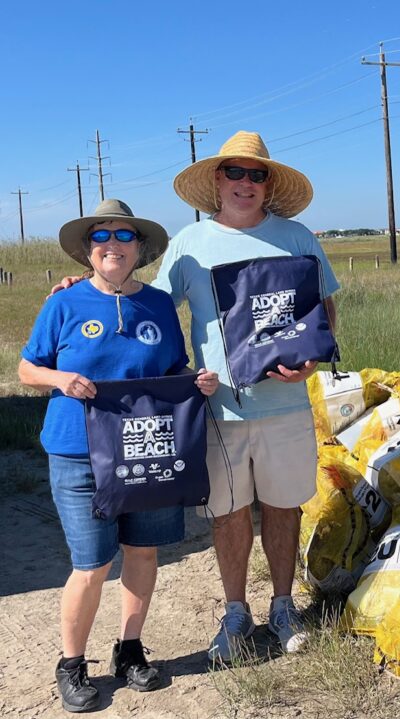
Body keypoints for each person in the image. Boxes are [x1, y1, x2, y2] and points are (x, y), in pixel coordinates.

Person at [19, 200, 219, 713]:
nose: (112, 242)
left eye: (124, 235)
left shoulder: (156, 305)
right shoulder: (63, 304)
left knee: (144, 553)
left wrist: (197, 382)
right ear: (88, 250)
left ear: (140, 247)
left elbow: (175, 370)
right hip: (78, 453)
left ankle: (129, 650)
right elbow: (26, 369)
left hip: (147, 449)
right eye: (101, 235)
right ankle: (71, 663)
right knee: (91, 564)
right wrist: (60, 379)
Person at [156, 131, 339, 662]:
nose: (245, 183)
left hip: (286, 406)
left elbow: (323, 310)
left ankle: (284, 606)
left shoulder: (297, 236)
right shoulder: (189, 244)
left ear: (268, 183)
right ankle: (236, 613)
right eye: (234, 172)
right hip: (220, 411)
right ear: (217, 180)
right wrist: (86, 288)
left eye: (256, 175)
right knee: (229, 513)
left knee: (284, 509)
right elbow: (155, 309)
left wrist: (309, 362)